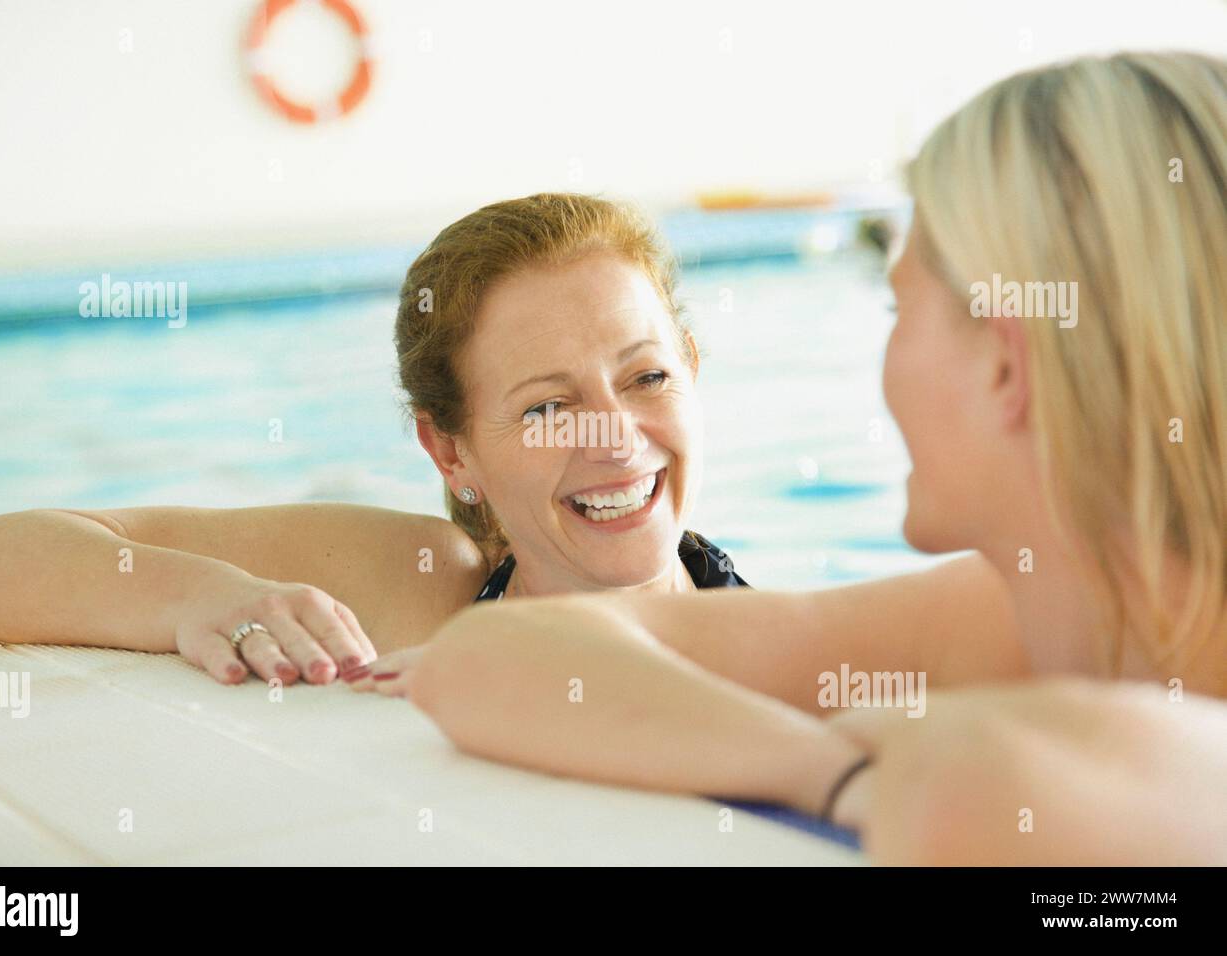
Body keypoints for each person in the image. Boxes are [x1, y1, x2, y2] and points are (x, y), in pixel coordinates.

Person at [362, 52, 1227, 864]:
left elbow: (982, 788)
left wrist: (923, 758)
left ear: (1005, 362)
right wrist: (840, 777)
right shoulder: (1035, 597)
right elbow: (494, 656)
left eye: (896, 310)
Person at [0, 194, 759, 683]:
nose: (615, 437)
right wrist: (198, 598)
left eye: (647, 377)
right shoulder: (423, 591)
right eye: (545, 409)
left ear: (690, 365)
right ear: (451, 451)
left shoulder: (786, 643)